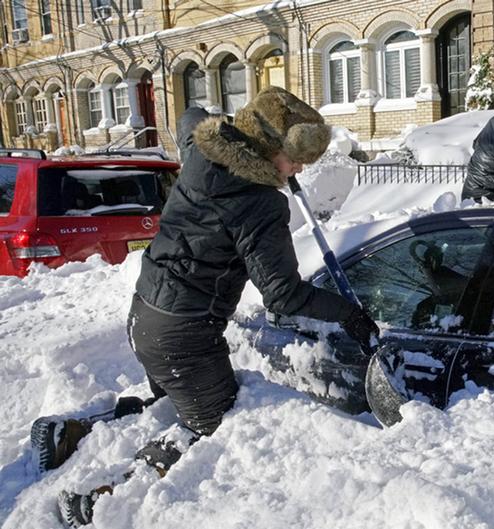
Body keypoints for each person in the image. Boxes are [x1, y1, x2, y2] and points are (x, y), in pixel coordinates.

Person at [51, 86, 379, 528]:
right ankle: (99, 502)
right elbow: (282, 294)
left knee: (171, 402)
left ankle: (70, 435)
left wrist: (216, 119)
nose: (299, 168)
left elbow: (189, 117)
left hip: (145, 312)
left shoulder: (201, 153)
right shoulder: (259, 203)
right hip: (185, 333)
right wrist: (347, 313)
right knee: (212, 424)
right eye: (294, 158)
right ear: (266, 149)